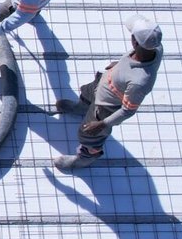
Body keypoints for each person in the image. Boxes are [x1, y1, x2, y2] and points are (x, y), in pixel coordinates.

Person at [53, 14, 164, 170]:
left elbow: (127, 110)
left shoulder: (140, 82)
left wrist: (102, 124)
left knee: (88, 134)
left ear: (135, 41)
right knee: (86, 94)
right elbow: (136, 61)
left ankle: (87, 156)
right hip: (105, 82)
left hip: (106, 106)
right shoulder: (155, 47)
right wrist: (120, 65)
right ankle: (81, 109)